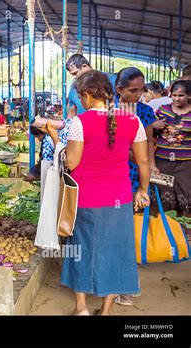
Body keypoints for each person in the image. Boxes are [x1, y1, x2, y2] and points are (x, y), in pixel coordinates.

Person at [44, 70, 150, 316]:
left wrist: (54, 137)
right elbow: (143, 162)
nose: (80, 102)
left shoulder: (80, 122)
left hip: (85, 199)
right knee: (116, 251)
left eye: (80, 97)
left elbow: (70, 162)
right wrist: (142, 190)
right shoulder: (133, 120)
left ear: (88, 96)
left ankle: (81, 307)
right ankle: (106, 310)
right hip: (120, 198)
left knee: (81, 248)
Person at [114, 67, 158, 307]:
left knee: (127, 229)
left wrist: (150, 168)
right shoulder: (107, 111)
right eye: (133, 90)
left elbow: (149, 142)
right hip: (113, 174)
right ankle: (122, 286)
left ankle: (126, 288)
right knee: (119, 231)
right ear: (119, 89)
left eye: (141, 90)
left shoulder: (145, 111)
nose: (138, 95)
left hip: (134, 176)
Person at [153, 80, 191, 217]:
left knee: (185, 194)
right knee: (163, 194)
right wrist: (154, 125)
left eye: (180, 95)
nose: (176, 98)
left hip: (185, 164)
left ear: (189, 96)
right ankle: (164, 226)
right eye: (174, 95)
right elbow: (150, 135)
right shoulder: (163, 110)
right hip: (162, 162)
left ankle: (185, 230)